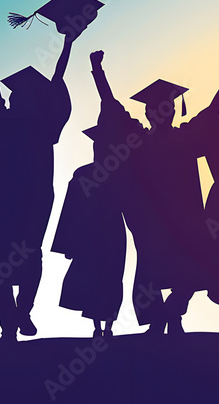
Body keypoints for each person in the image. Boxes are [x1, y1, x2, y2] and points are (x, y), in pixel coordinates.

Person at [91, 50, 219, 335]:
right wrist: (98, 72)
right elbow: (112, 108)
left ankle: (171, 315)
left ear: (172, 111)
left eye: (167, 107)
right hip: (151, 218)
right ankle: (162, 320)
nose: (163, 111)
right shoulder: (138, 139)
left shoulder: (183, 137)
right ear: (147, 112)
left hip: (185, 217)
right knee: (151, 269)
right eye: (157, 108)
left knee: (192, 268)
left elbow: (210, 114)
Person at [0, 11, 76, 342]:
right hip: (0, 206)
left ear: (30, 101)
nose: (11, 97)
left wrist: (67, 45)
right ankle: (8, 325)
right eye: (11, 96)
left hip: (32, 203)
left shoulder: (40, 128)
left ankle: (24, 312)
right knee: (0, 266)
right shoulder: (0, 124)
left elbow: (55, 83)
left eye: (17, 96)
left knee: (30, 260)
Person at [51, 125, 127, 338]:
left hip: (112, 232)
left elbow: (131, 204)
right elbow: (71, 208)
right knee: (93, 280)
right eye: (97, 145)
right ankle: (97, 328)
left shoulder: (120, 175)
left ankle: (109, 327)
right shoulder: (83, 174)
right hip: (90, 233)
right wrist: (68, 242)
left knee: (112, 279)